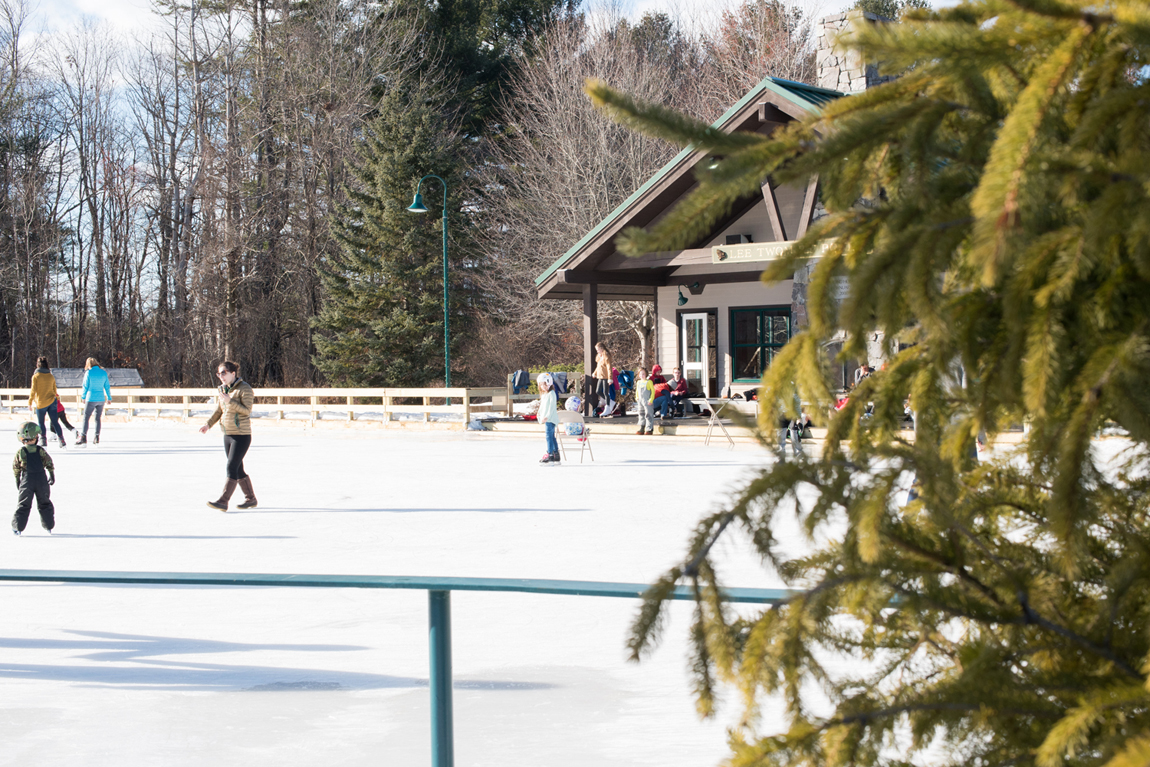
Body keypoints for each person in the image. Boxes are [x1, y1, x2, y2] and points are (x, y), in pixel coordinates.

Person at [198, 360, 257, 510]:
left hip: (241, 435)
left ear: (233, 373)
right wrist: (208, 424)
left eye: (223, 373)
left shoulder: (245, 389)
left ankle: (223, 501)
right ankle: (251, 499)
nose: (221, 376)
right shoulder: (223, 390)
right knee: (237, 469)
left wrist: (230, 401)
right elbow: (219, 411)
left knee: (231, 466)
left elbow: (246, 410)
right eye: (219, 373)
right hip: (227, 434)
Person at [11, 421, 55, 536]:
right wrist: (51, 474)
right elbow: (49, 462)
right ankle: (48, 526)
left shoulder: (21, 452)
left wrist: (17, 479)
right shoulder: (40, 450)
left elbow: (16, 467)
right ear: (36, 437)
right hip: (41, 480)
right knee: (44, 502)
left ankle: (18, 527)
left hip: (27, 481)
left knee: (24, 504)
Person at [28, 357, 65, 448]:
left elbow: (33, 390)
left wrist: (30, 402)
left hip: (41, 403)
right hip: (52, 401)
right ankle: (61, 440)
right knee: (55, 422)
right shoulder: (50, 376)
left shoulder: (36, 377)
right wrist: (57, 399)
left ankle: (43, 439)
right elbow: (54, 390)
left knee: (41, 422)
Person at [77, 357, 112, 446]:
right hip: (100, 399)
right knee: (97, 419)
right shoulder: (103, 373)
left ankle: (83, 437)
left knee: (86, 417)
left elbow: (85, 386)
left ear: (88, 364)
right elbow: (107, 386)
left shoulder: (88, 373)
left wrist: (83, 396)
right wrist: (109, 397)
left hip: (91, 398)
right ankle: (96, 437)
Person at [537, 372, 560, 464]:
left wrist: (547, 416)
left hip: (550, 419)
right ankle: (556, 454)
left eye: (544, 384)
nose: (543, 387)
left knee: (548, 436)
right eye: (541, 385)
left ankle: (550, 454)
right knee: (552, 436)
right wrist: (539, 413)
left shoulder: (552, 394)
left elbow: (551, 407)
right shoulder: (544, 395)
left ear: (549, 383)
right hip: (546, 418)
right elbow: (542, 406)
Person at [592, 343, 613, 416]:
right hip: (600, 376)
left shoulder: (606, 356)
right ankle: (610, 401)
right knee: (598, 391)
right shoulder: (599, 356)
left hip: (605, 377)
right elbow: (598, 367)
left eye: (598, 349)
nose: (597, 351)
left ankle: (607, 408)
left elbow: (609, 367)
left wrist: (610, 378)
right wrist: (594, 373)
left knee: (605, 393)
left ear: (602, 348)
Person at [634, 367, 654, 435]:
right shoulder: (638, 382)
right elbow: (637, 390)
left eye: (643, 374)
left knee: (648, 414)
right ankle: (642, 427)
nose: (642, 375)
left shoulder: (649, 382)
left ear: (646, 374)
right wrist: (637, 397)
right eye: (640, 374)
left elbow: (653, 392)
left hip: (647, 401)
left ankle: (649, 428)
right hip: (640, 401)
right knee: (641, 414)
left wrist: (651, 400)